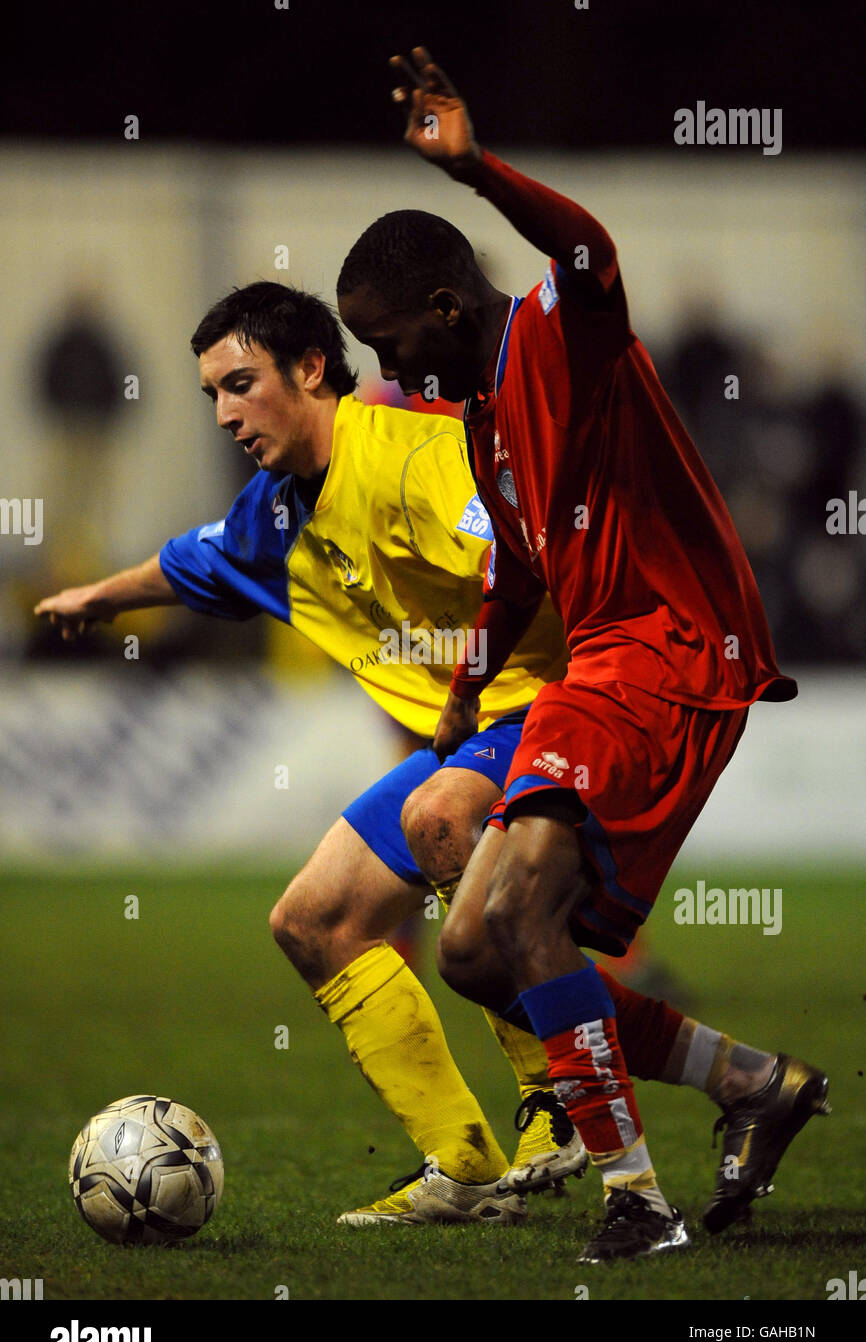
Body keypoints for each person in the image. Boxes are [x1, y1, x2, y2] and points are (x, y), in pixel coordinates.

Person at [36, 283, 817, 1235]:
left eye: (240, 384)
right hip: (472, 736)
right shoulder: (273, 513)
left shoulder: (427, 458)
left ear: (313, 370)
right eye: (211, 395)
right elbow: (188, 561)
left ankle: (555, 1111)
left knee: (448, 835)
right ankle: (481, 1161)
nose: (226, 413)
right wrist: (100, 600)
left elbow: (538, 560)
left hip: (556, 707)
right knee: (313, 919)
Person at [336, 48, 829, 1259]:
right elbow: (515, 572)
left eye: (392, 343)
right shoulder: (483, 418)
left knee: (527, 902)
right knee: (469, 950)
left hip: (665, 647)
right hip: (603, 664)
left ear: (447, 308)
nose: (390, 373)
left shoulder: (560, 335)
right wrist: (456, 699)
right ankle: (753, 1081)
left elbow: (586, 249)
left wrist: (473, 170)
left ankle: (632, 1198)